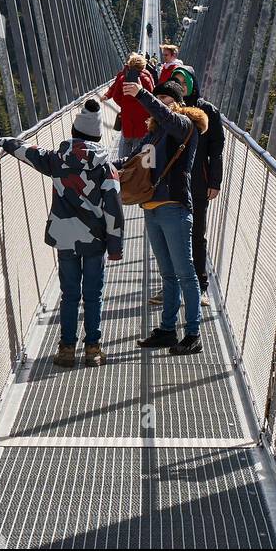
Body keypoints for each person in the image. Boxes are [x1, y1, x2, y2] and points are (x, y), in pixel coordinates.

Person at [0, 97, 124, 369]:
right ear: (99, 136)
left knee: (69, 294)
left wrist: (6, 142)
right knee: (93, 294)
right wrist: (115, 246)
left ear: (74, 133)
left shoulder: (56, 159)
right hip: (95, 239)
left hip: (65, 236)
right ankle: (93, 349)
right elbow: (113, 207)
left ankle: (66, 349)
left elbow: (28, 152)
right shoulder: (105, 167)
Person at [119, 77, 207, 354]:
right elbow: (137, 161)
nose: (161, 107)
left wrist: (143, 95)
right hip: (152, 209)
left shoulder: (184, 126)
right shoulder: (154, 135)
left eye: (166, 102)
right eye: (159, 102)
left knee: (186, 274)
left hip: (174, 207)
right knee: (168, 275)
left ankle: (193, 334)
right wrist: (101, 166)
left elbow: (166, 116)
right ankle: (168, 330)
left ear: (177, 104)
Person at [149, 64, 222, 309]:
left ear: (192, 83)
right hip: (172, 184)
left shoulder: (207, 111)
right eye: (175, 80)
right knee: (171, 236)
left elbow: (216, 150)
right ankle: (170, 287)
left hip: (199, 183)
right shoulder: (166, 112)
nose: (180, 84)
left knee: (196, 235)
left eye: (184, 80)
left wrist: (215, 181)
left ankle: (201, 287)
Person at [104, 52, 154, 159]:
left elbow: (116, 96)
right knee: (142, 154)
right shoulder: (146, 79)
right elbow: (151, 98)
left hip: (127, 122)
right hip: (143, 123)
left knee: (124, 150)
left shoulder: (123, 79)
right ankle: (142, 174)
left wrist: (125, 106)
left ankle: (122, 171)